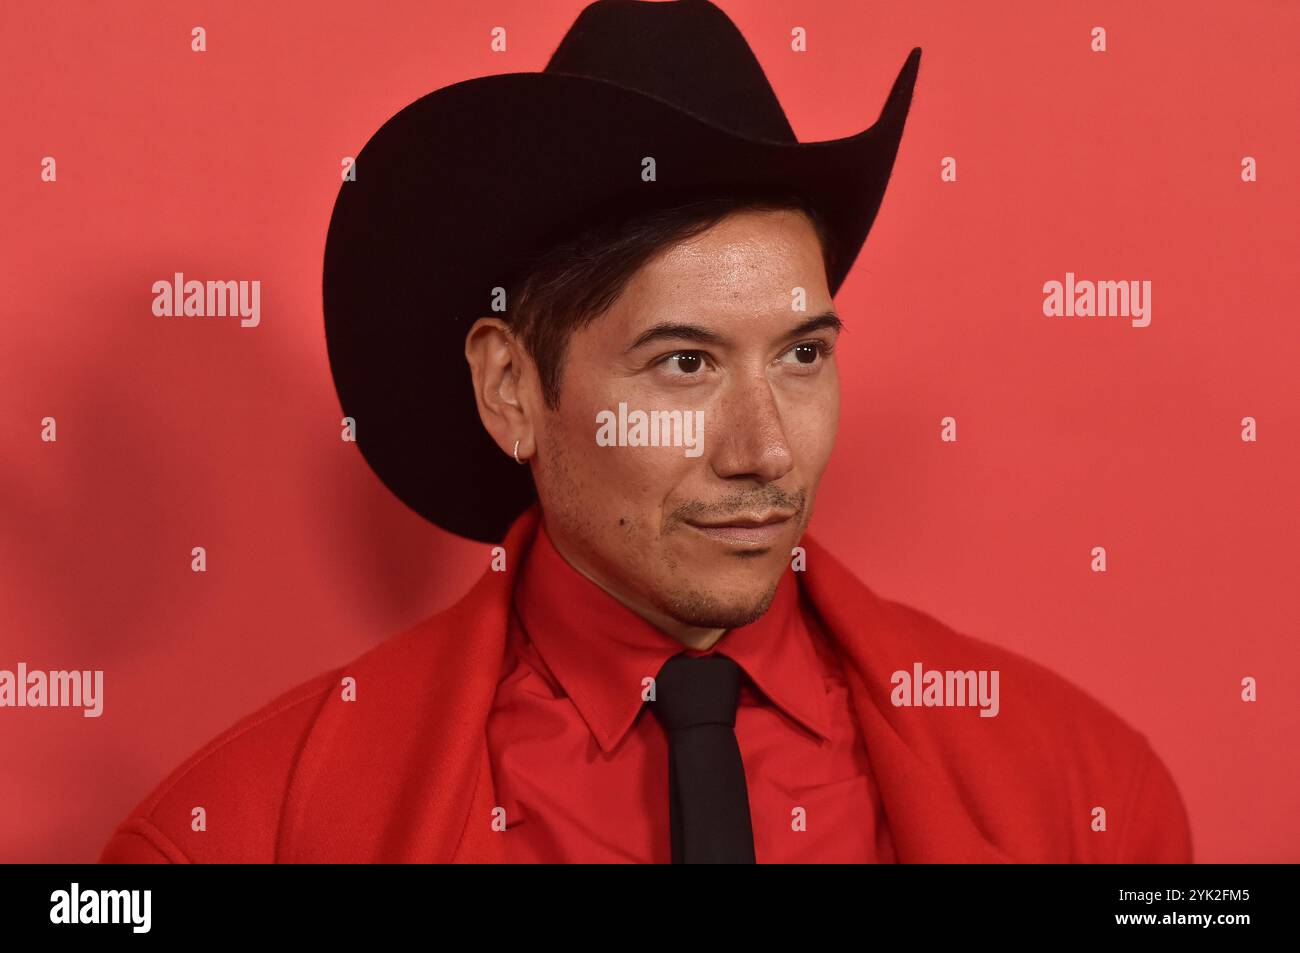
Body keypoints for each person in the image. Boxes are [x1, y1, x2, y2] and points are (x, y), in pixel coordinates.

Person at [100, 0, 1192, 863]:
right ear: (511, 388)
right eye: (685, 362)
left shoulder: (1089, 794)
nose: (765, 450)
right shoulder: (238, 835)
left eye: (802, 353)